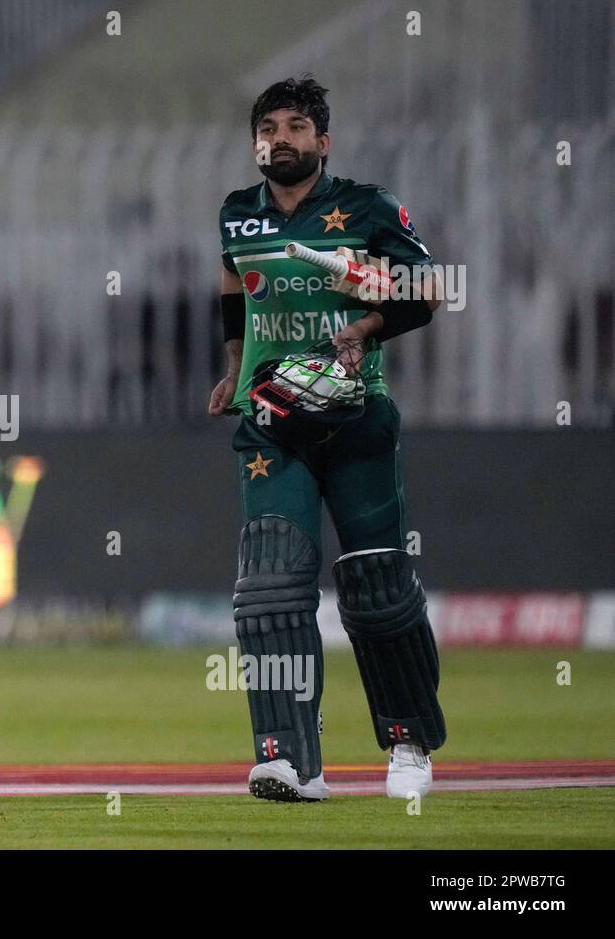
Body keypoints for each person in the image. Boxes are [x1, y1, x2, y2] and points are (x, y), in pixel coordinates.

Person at [209, 76, 445, 802]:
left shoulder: (367, 208)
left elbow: (428, 290)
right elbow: (232, 288)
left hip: (355, 416)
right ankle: (288, 758)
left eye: (296, 127)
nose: (281, 138)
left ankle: (408, 744)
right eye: (269, 128)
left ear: (323, 142)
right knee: (270, 590)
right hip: (269, 420)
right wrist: (230, 370)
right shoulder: (237, 215)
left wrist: (365, 326)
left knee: (377, 586)